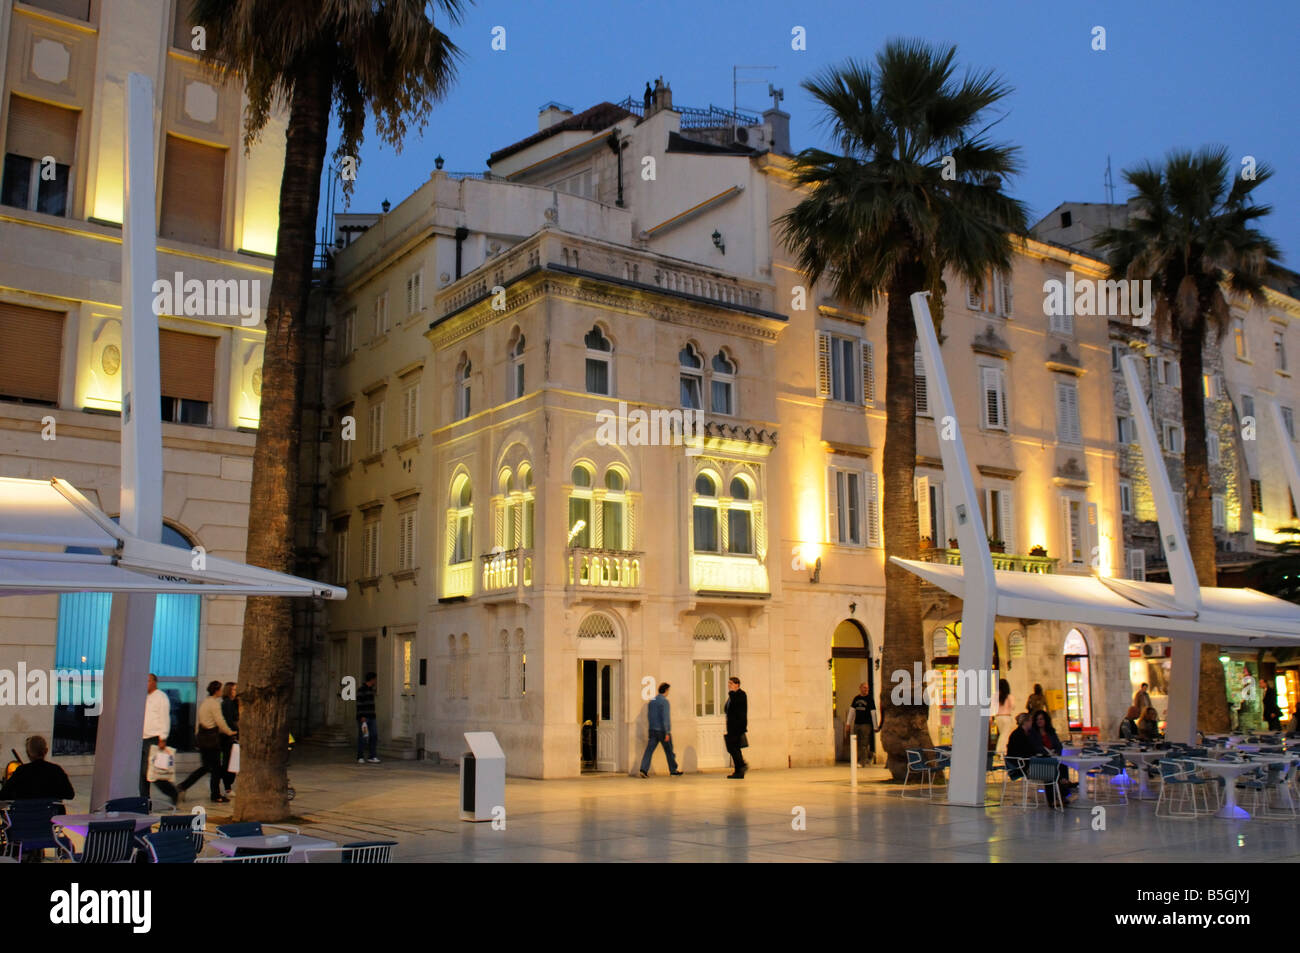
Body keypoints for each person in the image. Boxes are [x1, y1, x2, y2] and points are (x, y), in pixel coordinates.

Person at [177, 680, 236, 803]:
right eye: (220, 689)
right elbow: (220, 721)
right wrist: (229, 732)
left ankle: (183, 786)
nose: (221, 691)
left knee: (206, 767)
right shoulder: (214, 704)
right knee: (215, 769)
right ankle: (215, 795)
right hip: (211, 740)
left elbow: (200, 722)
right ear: (216, 690)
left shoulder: (205, 703)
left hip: (203, 739)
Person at [141, 673, 180, 805]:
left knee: (154, 773)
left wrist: (163, 737)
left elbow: (164, 718)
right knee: (142, 774)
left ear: (154, 682)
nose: (145, 683)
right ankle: (144, 802)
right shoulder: (144, 697)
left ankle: (172, 792)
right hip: (143, 738)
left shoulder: (161, 697)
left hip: (154, 739)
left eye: (148, 681)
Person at [0, 735, 74, 801]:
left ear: (28, 753)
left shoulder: (21, 771)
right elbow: (70, 795)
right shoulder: (56, 770)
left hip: (25, 815)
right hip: (51, 815)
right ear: (46, 751)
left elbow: (3, 795)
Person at [1028, 709, 1072, 805]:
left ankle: (1063, 793)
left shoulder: (1051, 732)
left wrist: (1055, 752)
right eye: (1037, 719)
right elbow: (1035, 747)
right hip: (1040, 760)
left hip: (1053, 757)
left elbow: (1058, 745)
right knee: (1050, 768)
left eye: (1041, 719)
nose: (1039, 721)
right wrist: (1046, 752)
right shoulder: (1033, 734)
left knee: (1063, 764)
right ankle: (1052, 799)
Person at [639, 682, 683, 777]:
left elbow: (649, 716)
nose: (668, 693)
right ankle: (673, 770)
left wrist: (650, 730)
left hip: (652, 730)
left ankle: (643, 769)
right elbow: (665, 717)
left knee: (649, 750)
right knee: (669, 751)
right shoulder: (664, 701)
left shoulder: (652, 701)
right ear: (666, 690)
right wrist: (667, 732)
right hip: (662, 731)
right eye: (668, 691)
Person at [844, 682, 875, 766]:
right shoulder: (856, 699)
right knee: (855, 742)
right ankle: (866, 757)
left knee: (864, 743)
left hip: (866, 724)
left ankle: (862, 762)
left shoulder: (870, 699)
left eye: (867, 688)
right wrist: (848, 724)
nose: (866, 689)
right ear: (860, 688)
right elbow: (851, 711)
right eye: (864, 687)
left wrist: (875, 725)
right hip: (857, 723)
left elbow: (873, 712)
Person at [724, 675, 748, 779]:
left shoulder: (740, 694)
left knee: (734, 748)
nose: (729, 685)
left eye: (731, 683)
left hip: (737, 727)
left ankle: (742, 765)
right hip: (731, 727)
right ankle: (739, 771)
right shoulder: (732, 695)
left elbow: (738, 707)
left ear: (737, 684)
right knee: (734, 749)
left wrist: (731, 693)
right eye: (729, 683)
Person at [219, 682, 238, 794]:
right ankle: (227, 786)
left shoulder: (232, 703)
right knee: (228, 761)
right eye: (234, 689)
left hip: (231, 736)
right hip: (228, 737)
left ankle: (228, 785)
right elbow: (229, 720)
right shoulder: (227, 703)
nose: (236, 691)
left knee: (231, 761)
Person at [357, 672, 380, 763]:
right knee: (363, 736)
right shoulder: (361, 690)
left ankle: (372, 756)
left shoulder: (371, 689)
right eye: (375, 679)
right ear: (372, 679)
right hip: (364, 718)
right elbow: (359, 704)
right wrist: (362, 716)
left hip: (372, 717)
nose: (376, 681)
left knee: (374, 735)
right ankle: (360, 756)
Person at [995, 679, 1015, 755]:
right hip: (1007, 717)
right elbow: (1013, 706)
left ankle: (1000, 751)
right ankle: (1001, 751)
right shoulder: (1009, 696)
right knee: (1005, 735)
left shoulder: (996, 696)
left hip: (998, 717)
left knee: (1002, 734)